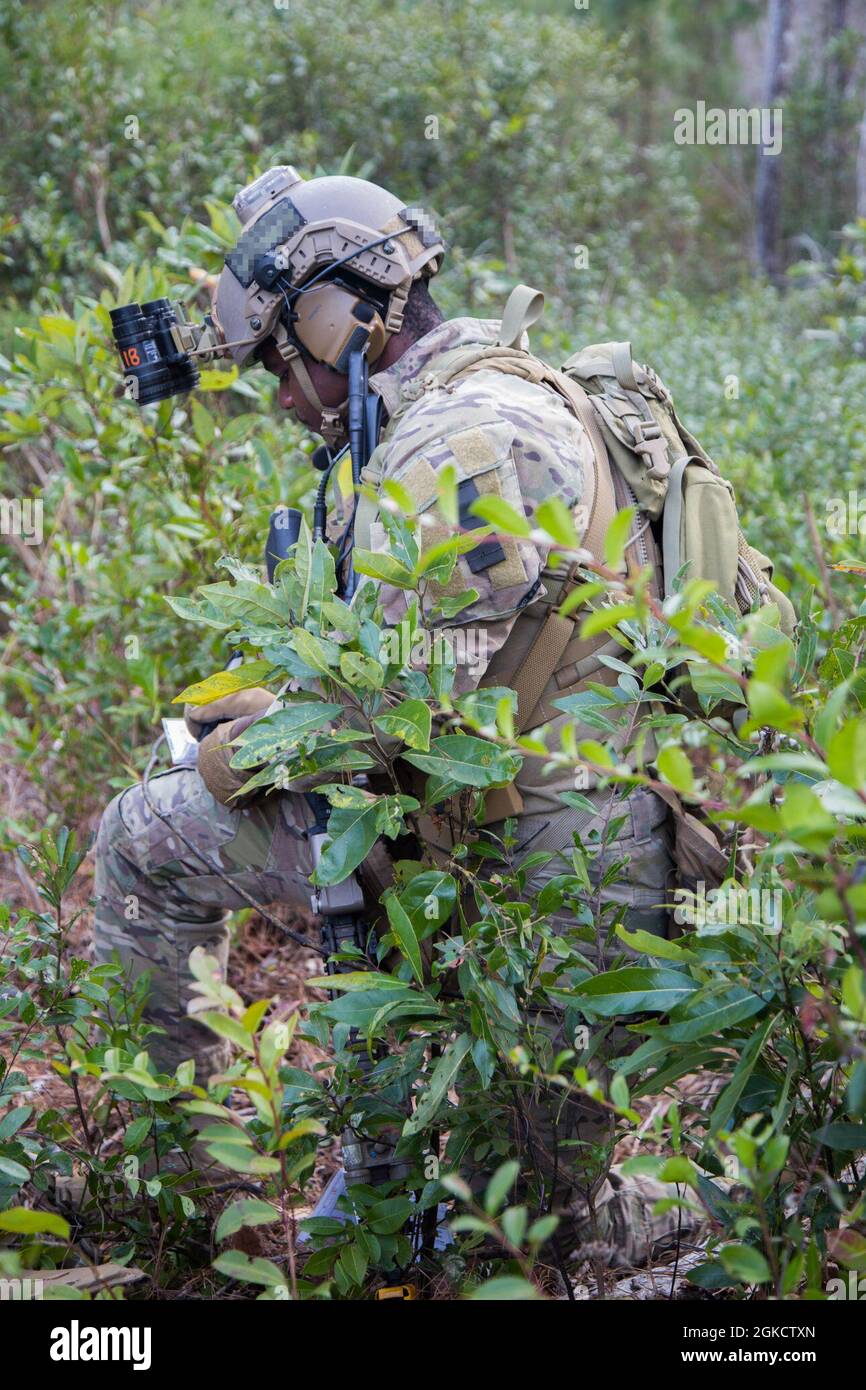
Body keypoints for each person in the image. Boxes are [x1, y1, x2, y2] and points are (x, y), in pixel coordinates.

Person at [94, 165, 722, 1268]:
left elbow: (385, 719)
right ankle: (213, 1220)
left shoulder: (461, 440)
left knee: (497, 1250)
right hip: (513, 847)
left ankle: (741, 1215)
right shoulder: (457, 406)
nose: (283, 400)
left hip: (558, 899)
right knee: (453, 1234)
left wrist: (243, 748)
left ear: (338, 319)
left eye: (279, 365)